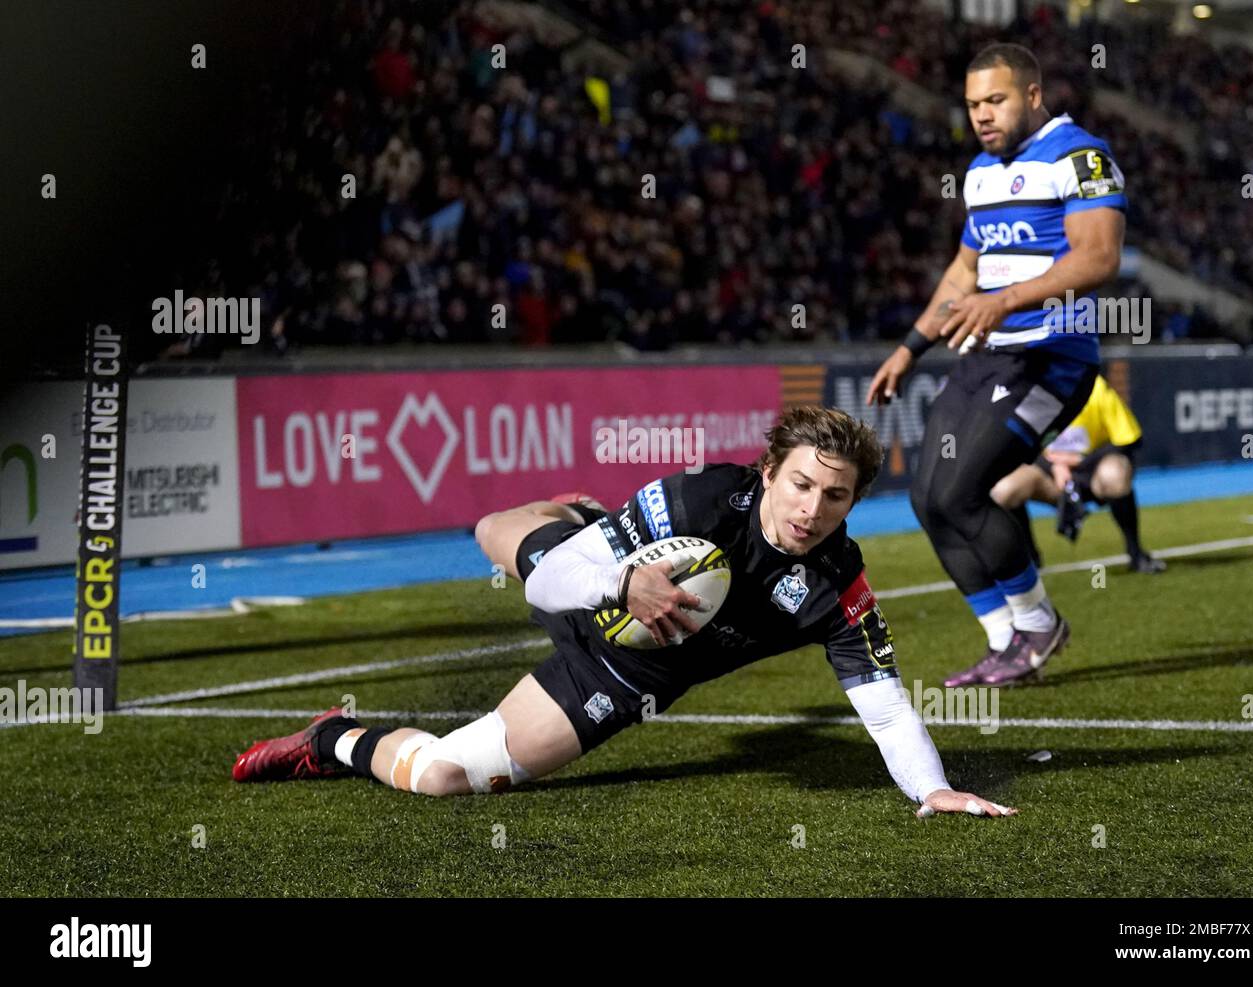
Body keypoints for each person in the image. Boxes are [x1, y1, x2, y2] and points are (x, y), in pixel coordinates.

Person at [232, 407, 1016, 819]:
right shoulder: (704, 495)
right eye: (801, 483)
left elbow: (882, 702)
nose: (812, 508)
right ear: (770, 469)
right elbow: (549, 590)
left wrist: (930, 787)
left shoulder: (836, 583)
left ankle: (328, 736)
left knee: (443, 775)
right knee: (499, 540)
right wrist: (619, 583)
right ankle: (556, 515)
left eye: (835, 495)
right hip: (590, 579)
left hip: (626, 665)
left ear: (853, 501)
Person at [866, 42, 1127, 688]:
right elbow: (964, 272)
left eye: (995, 100)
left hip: (1051, 358)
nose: (982, 115)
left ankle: (1040, 626)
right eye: (973, 104)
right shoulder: (982, 171)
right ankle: (1005, 641)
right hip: (987, 356)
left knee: (963, 491)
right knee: (928, 499)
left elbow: (1098, 258)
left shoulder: (1080, 156)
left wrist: (1003, 300)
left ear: (1033, 95)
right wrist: (909, 347)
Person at [991, 374, 1166, 573]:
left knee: (1114, 475)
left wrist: (1080, 461)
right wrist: (1054, 464)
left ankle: (1136, 553)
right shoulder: (1031, 391)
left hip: (1094, 474)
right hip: (1051, 477)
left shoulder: (1096, 387)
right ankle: (1030, 559)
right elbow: (1016, 442)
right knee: (1004, 489)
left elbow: (1131, 439)